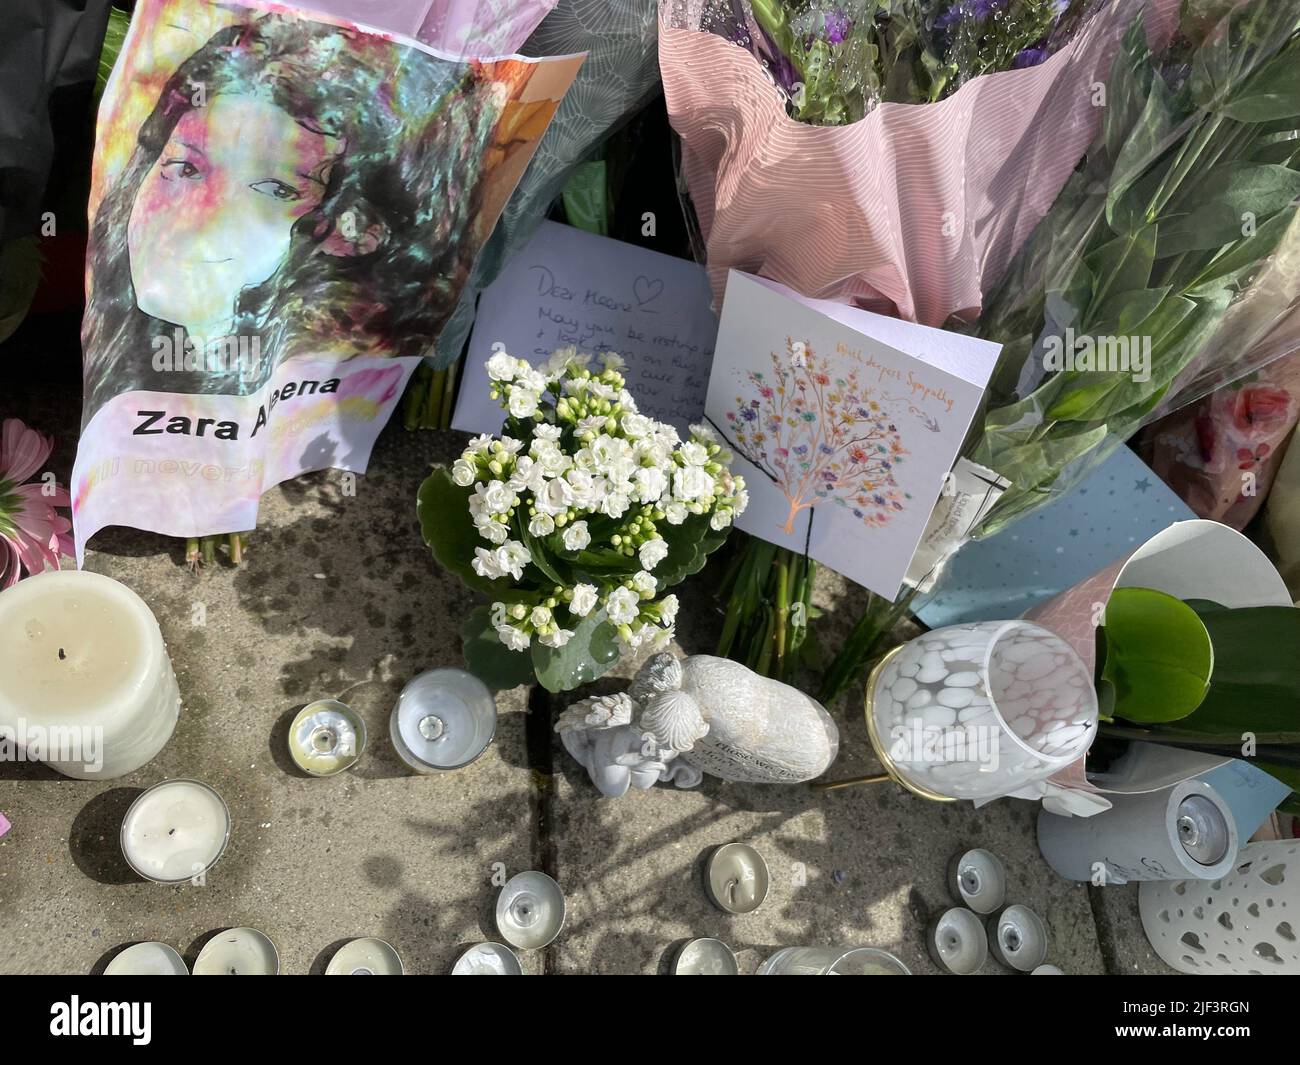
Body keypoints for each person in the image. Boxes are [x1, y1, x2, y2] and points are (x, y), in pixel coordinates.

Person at [82, 12, 502, 411]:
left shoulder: (322, 395)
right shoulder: (121, 348)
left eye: (274, 188)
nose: (196, 217)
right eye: (187, 166)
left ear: (354, 232)